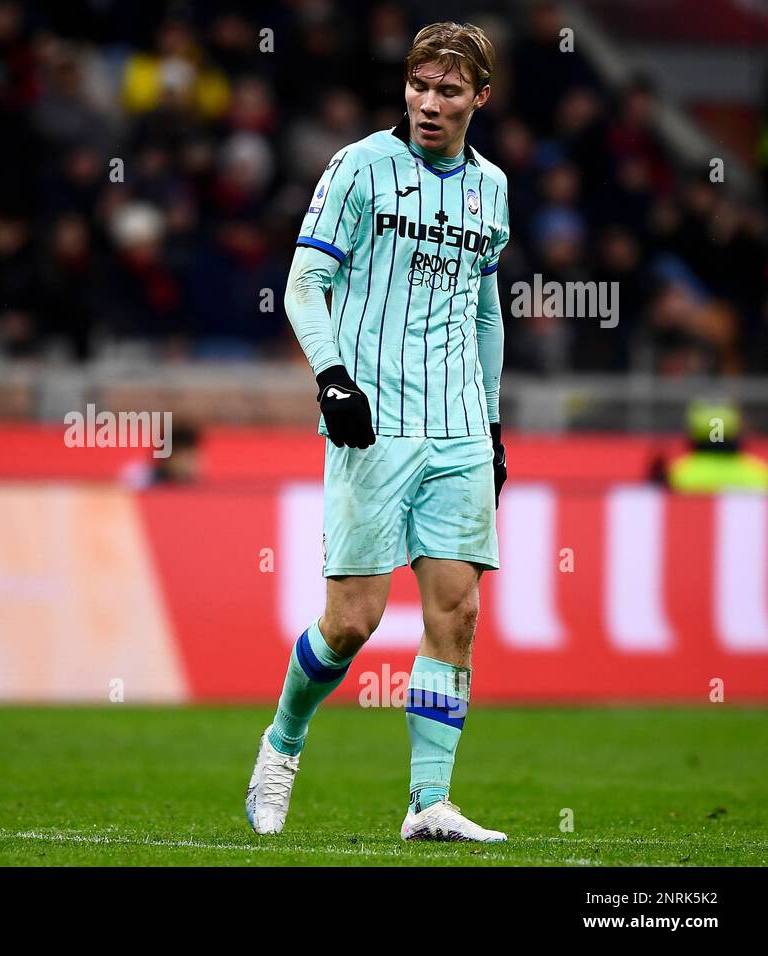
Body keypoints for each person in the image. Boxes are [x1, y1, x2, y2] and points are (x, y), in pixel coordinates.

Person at [246, 22, 510, 842]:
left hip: (459, 423)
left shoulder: (492, 187)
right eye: (420, 87)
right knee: (353, 622)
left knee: (456, 615)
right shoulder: (359, 167)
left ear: (480, 98)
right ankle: (283, 742)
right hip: (373, 422)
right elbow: (303, 283)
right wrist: (331, 378)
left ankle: (428, 802)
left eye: (449, 91)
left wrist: (494, 422)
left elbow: (484, 310)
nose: (431, 105)